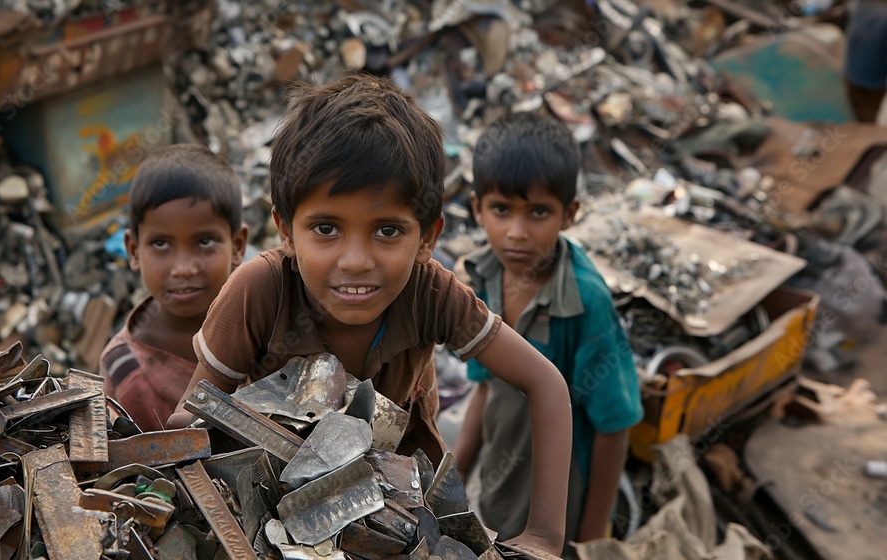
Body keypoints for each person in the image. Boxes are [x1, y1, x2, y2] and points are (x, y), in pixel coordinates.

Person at [169, 74, 573, 555]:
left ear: (427, 237)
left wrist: (545, 537)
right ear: (286, 230)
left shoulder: (430, 293)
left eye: (386, 230)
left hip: (398, 515)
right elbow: (193, 416)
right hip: (276, 518)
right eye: (326, 228)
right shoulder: (259, 292)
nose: (356, 259)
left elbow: (545, 383)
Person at [453, 112, 643, 555]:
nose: (516, 233)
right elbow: (484, 389)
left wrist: (589, 542)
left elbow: (614, 428)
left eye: (538, 212)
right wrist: (452, 478)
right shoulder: (483, 276)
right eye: (501, 210)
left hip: (563, 498)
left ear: (569, 213)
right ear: (478, 208)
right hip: (502, 479)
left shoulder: (586, 301)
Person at [99, 144, 248, 432]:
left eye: (205, 241)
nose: (183, 268)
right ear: (133, 251)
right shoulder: (124, 367)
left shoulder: (263, 316)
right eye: (160, 244)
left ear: (237, 245)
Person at [844, 0, 887, 122]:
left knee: (860, 114)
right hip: (870, 81)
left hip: (853, 72)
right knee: (866, 115)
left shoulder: (863, 5)